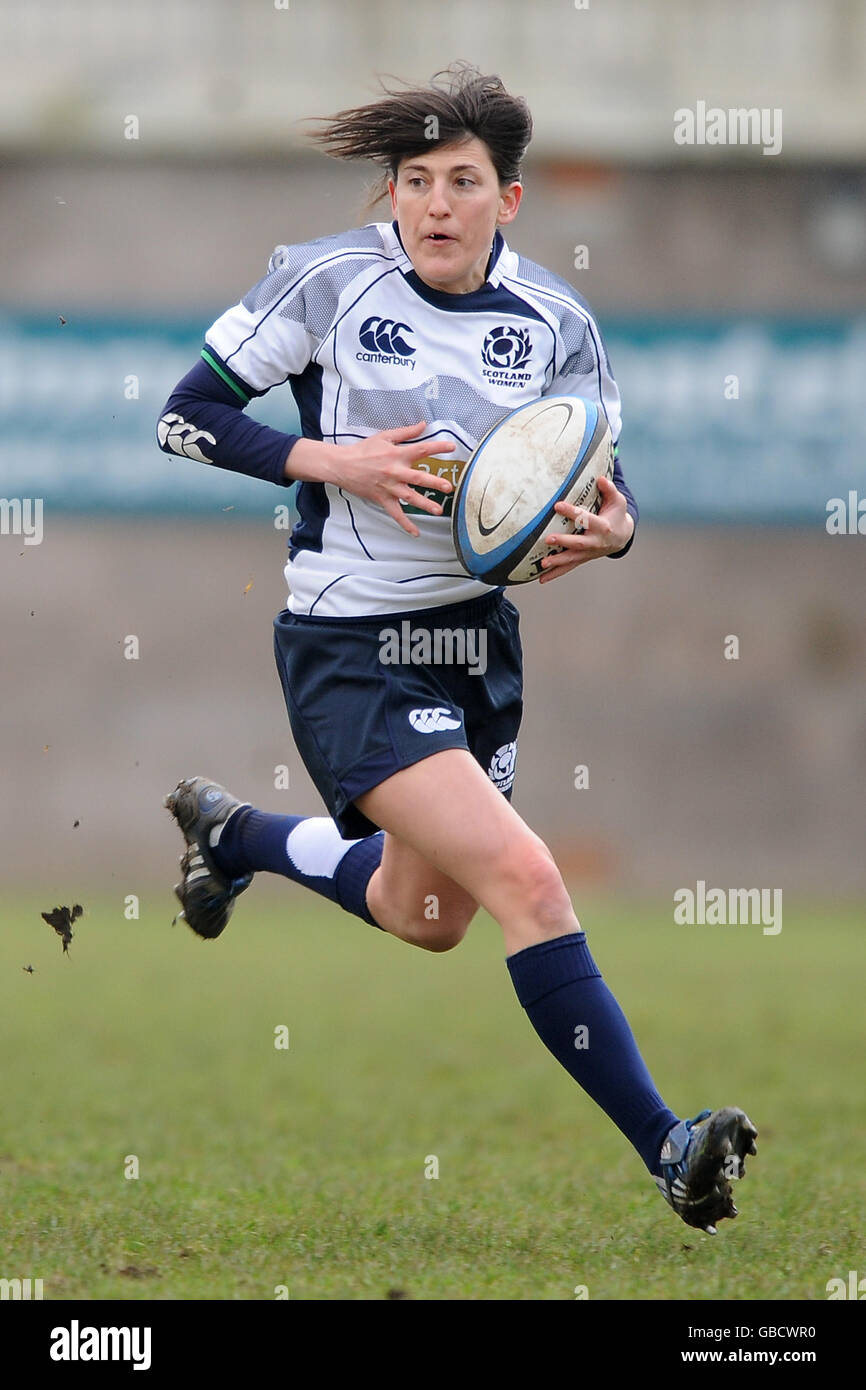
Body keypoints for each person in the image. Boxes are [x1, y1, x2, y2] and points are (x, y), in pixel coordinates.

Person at [157, 64, 756, 1234]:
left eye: (463, 182)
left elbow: (600, 477)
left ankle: (236, 833)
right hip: (348, 646)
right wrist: (337, 461)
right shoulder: (326, 281)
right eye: (415, 181)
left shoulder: (555, 325)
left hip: (474, 649)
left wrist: (617, 529)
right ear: (389, 195)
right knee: (529, 880)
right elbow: (184, 411)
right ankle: (670, 1145)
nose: (435, 203)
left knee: (427, 916)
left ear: (509, 201)